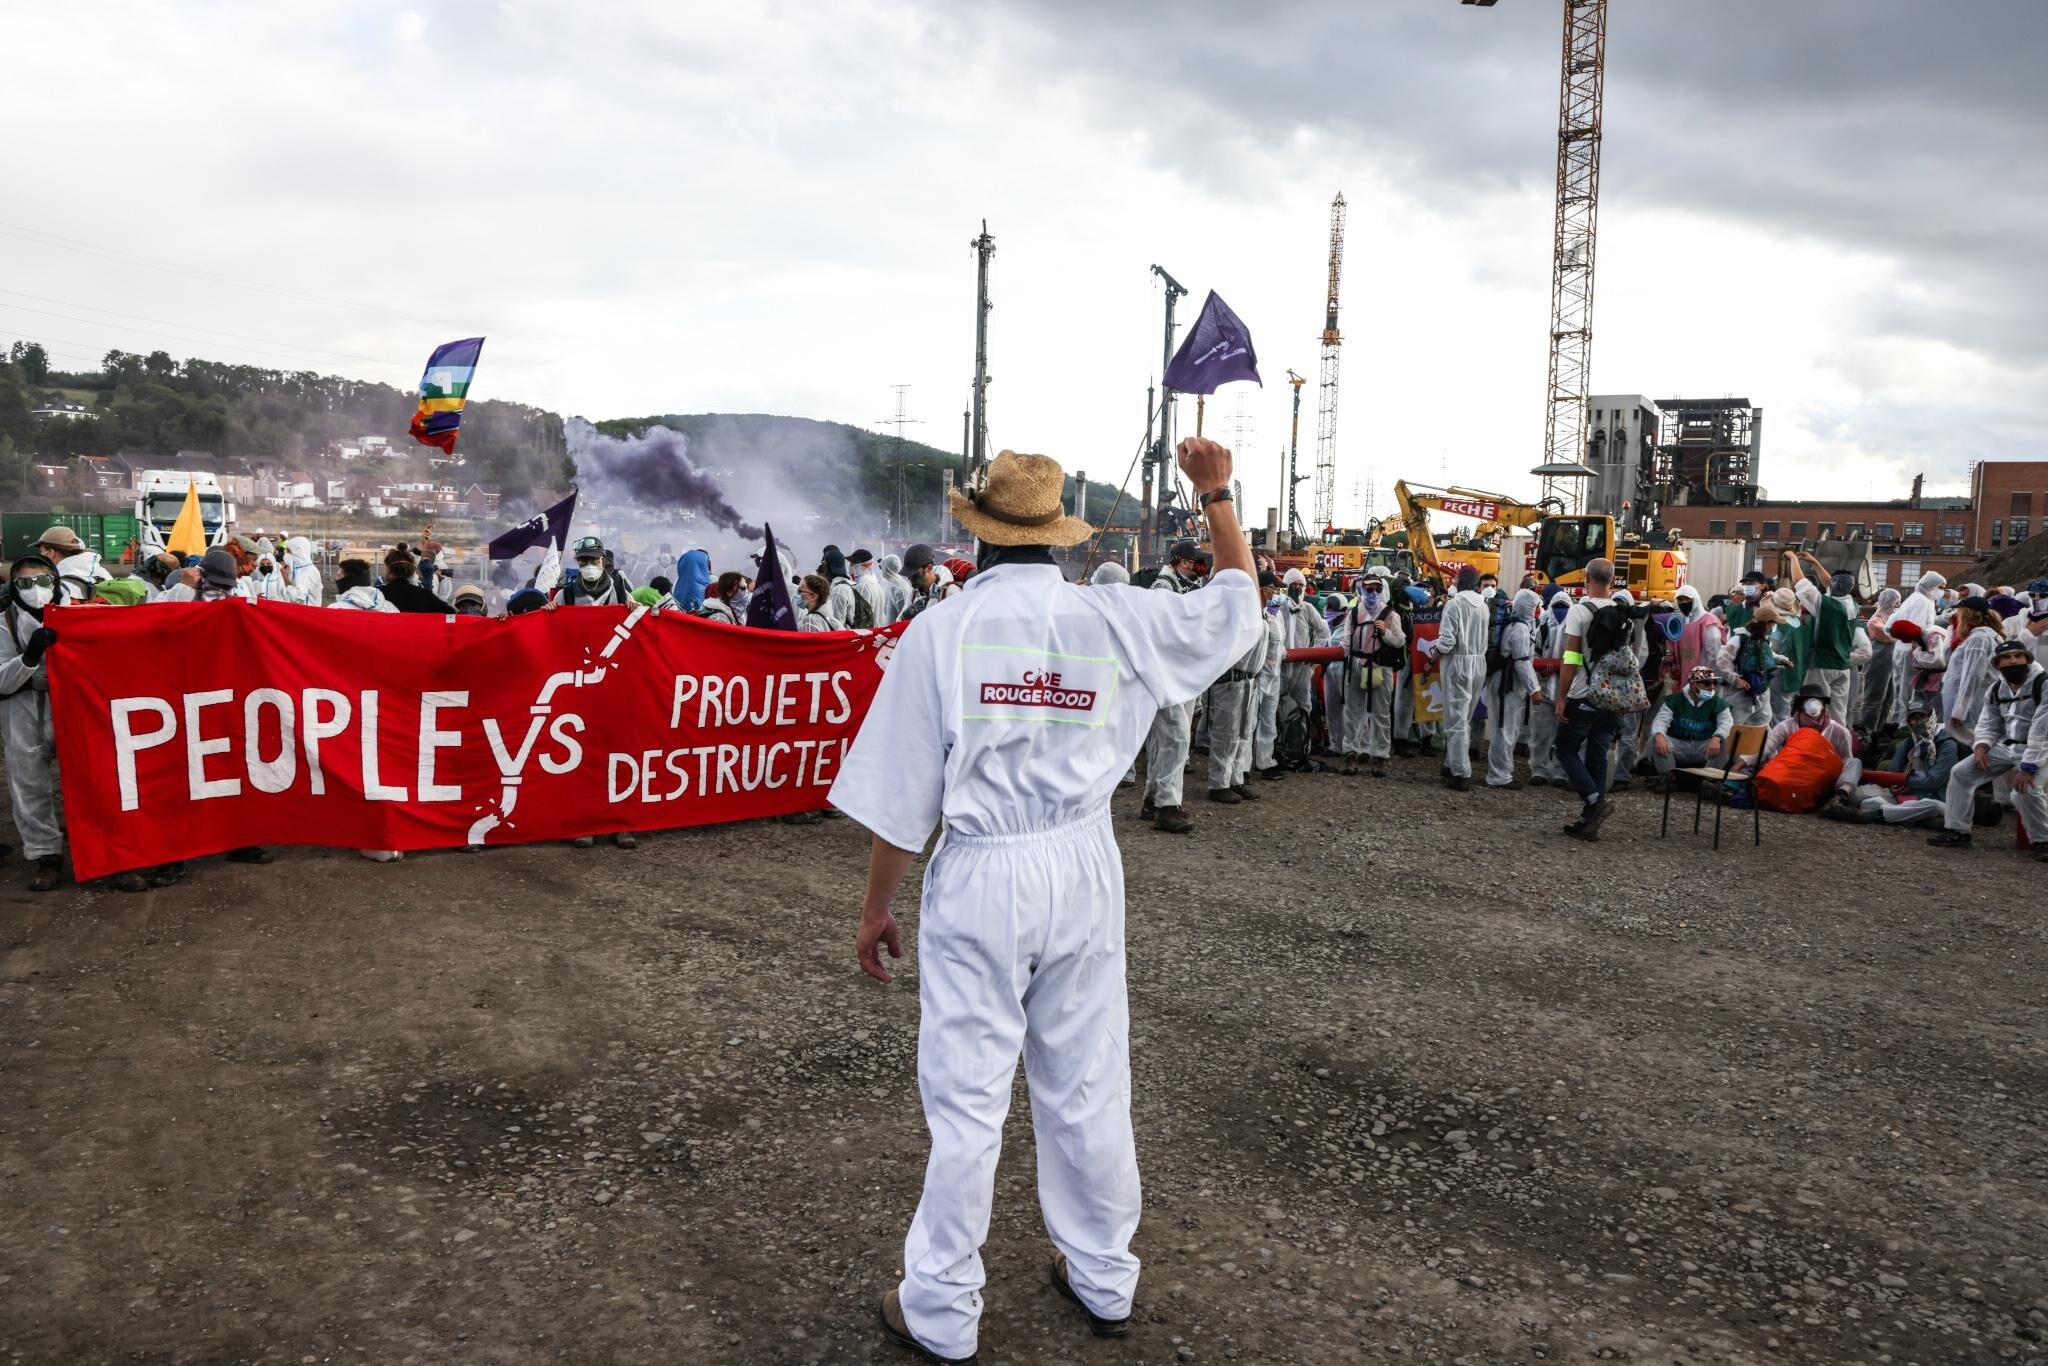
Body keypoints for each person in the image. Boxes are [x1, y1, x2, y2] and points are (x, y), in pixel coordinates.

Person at [829, 440, 1262, 1365]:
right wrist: (1216, 495)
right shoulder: (1116, 618)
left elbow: (904, 802)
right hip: (1082, 859)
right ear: (1061, 539)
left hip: (984, 868)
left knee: (967, 1097)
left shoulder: (941, 632)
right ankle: (1103, 1274)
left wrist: (875, 909)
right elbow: (1236, 609)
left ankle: (943, 1308)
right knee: (1090, 1080)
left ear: (976, 534)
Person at [3, 555, 85, 891]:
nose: (35, 590)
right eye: (24, 583)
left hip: (72, 708)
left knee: (88, 782)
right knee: (29, 785)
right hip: (23, 709)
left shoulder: (78, 615)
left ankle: (100, 851)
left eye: (42, 581)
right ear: (13, 586)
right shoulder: (4, 623)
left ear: (55, 582)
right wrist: (29, 657)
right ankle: (45, 856)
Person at [1928, 639, 2048, 855]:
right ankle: (1957, 831)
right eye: (2006, 657)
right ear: (1997, 664)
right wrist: (1981, 745)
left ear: (2027, 659)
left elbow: (2043, 729)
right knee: (1961, 773)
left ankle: (2043, 841)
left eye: (2017, 656)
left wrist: (2028, 767)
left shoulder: (2043, 684)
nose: (2012, 661)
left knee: (2027, 790)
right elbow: (1989, 722)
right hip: (2007, 747)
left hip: (2041, 750)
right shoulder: (1996, 689)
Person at [1139, 541, 1211, 833]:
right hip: (1166, 674)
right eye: (1196, 562)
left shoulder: (1182, 588)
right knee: (1177, 738)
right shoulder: (1163, 588)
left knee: (1168, 740)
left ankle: (1152, 799)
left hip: (1179, 674)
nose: (1200, 567)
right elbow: (1162, 631)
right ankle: (1167, 807)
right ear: (1182, 561)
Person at [1553, 556, 1624, 839]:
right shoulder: (1622, 612)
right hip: (1611, 697)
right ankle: (1588, 821)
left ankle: (1594, 801)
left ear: (1586, 578)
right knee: (1598, 752)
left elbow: (1571, 656)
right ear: (1612, 580)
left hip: (1583, 693)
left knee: (1565, 748)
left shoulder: (1579, 611)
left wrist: (1562, 696)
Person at [1333, 569, 1406, 777]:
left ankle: (1380, 756)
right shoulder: (1354, 613)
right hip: (1356, 664)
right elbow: (1346, 640)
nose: (1372, 593)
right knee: (1353, 711)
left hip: (1379, 666)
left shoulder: (1390, 615)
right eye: (1369, 589)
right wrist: (1338, 654)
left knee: (1381, 713)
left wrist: (1385, 632)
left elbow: (1400, 640)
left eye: (1376, 589)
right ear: (1362, 590)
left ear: (1381, 591)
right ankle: (1352, 753)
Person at [1747, 681, 1861, 809]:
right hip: (1793, 771)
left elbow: (1846, 760)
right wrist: (1741, 763)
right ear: (1801, 704)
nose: (1813, 704)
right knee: (1765, 763)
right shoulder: (1787, 726)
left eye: (1817, 700)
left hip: (1821, 778)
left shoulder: (1839, 731)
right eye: (1808, 700)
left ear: (1824, 704)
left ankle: (1840, 797)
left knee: (1854, 762)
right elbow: (1767, 747)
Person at [1432, 566, 1489, 791]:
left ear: (1458, 581)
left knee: (1455, 720)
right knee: (1464, 718)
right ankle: (1451, 762)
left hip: (1458, 663)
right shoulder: (1484, 606)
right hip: (1478, 664)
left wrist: (1431, 659)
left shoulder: (1454, 604)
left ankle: (1461, 772)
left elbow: (1446, 640)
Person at [1485, 587, 1543, 789]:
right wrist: (1534, 689)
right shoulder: (1519, 629)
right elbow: (1521, 662)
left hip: (1508, 686)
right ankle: (1499, 775)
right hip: (1506, 686)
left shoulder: (1521, 626)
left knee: (1509, 729)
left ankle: (1503, 772)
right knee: (1504, 730)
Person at [1649, 664, 1733, 783]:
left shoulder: (1718, 703)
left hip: (1704, 748)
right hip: (1678, 746)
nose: (1712, 687)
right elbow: (1661, 720)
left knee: (1725, 741)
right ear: (1694, 684)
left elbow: (1726, 723)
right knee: (1656, 738)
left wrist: (1717, 737)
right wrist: (1659, 735)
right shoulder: (1675, 700)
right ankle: (1668, 779)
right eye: (1707, 683)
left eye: (1714, 683)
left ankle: (1709, 781)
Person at [1941, 597, 2005, 744]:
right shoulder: (1982, 636)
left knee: (1973, 742)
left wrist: (1960, 711)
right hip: (1973, 704)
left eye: (1959, 612)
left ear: (1967, 614)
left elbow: (1973, 677)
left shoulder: (1979, 639)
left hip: (1972, 707)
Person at [1525, 591, 1570, 787]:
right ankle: (1539, 769)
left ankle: (1560, 771)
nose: (1560, 611)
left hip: (1565, 686)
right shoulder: (1542, 625)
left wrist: (1564, 666)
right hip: (1543, 684)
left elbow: (1578, 656)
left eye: (1564, 608)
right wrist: (1542, 668)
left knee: (1564, 734)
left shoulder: (1574, 628)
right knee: (1540, 732)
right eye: (1557, 607)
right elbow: (1532, 654)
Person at [1889, 571, 1946, 724]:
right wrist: (1920, 652)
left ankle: (1896, 722)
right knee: (1909, 694)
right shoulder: (1923, 602)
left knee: (1900, 691)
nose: (1942, 592)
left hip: (1902, 648)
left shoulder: (1913, 598)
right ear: (1931, 586)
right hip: (1912, 651)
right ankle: (1905, 725)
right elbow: (1916, 629)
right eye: (1940, 587)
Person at [1251, 570, 1288, 781]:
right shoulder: (1254, 614)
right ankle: (1242, 768)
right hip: (1258, 676)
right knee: (1248, 724)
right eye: (1274, 588)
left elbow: (1280, 644)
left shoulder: (1277, 615)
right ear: (1264, 590)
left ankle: (1265, 761)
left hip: (1274, 675)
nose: (1277, 593)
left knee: (1268, 721)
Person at [560, 536, 632, 607]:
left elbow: (636, 613)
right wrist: (551, 608)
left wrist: (634, 606)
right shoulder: (566, 594)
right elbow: (553, 613)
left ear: (603, 561)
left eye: (594, 560)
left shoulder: (619, 592)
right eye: (583, 561)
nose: (589, 565)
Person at [378, 546, 452, 613]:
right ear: (412, 571)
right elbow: (450, 613)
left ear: (388, 569)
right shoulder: (425, 595)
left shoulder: (376, 595)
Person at [330, 558, 399, 612]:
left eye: (339, 575)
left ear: (348, 580)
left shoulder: (335, 609)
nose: (336, 579)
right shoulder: (390, 607)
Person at [818, 546, 860, 628]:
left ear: (827, 566)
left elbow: (836, 625)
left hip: (844, 638)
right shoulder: (847, 584)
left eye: (823, 564)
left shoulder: (838, 591)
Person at [849, 549, 890, 627]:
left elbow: (861, 617)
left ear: (861, 566)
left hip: (866, 634)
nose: (850, 567)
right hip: (875, 632)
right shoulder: (876, 584)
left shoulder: (863, 586)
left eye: (852, 564)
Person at [899, 545, 939, 622]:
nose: (909, 578)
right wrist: (905, 616)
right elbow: (898, 625)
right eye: (908, 574)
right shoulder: (913, 593)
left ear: (929, 568)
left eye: (914, 574)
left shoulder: (948, 593)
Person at [876, 553, 913, 624]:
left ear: (887, 568)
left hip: (896, 631)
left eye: (882, 567)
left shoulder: (898, 587)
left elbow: (903, 615)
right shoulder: (891, 584)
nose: (881, 570)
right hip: (889, 629)